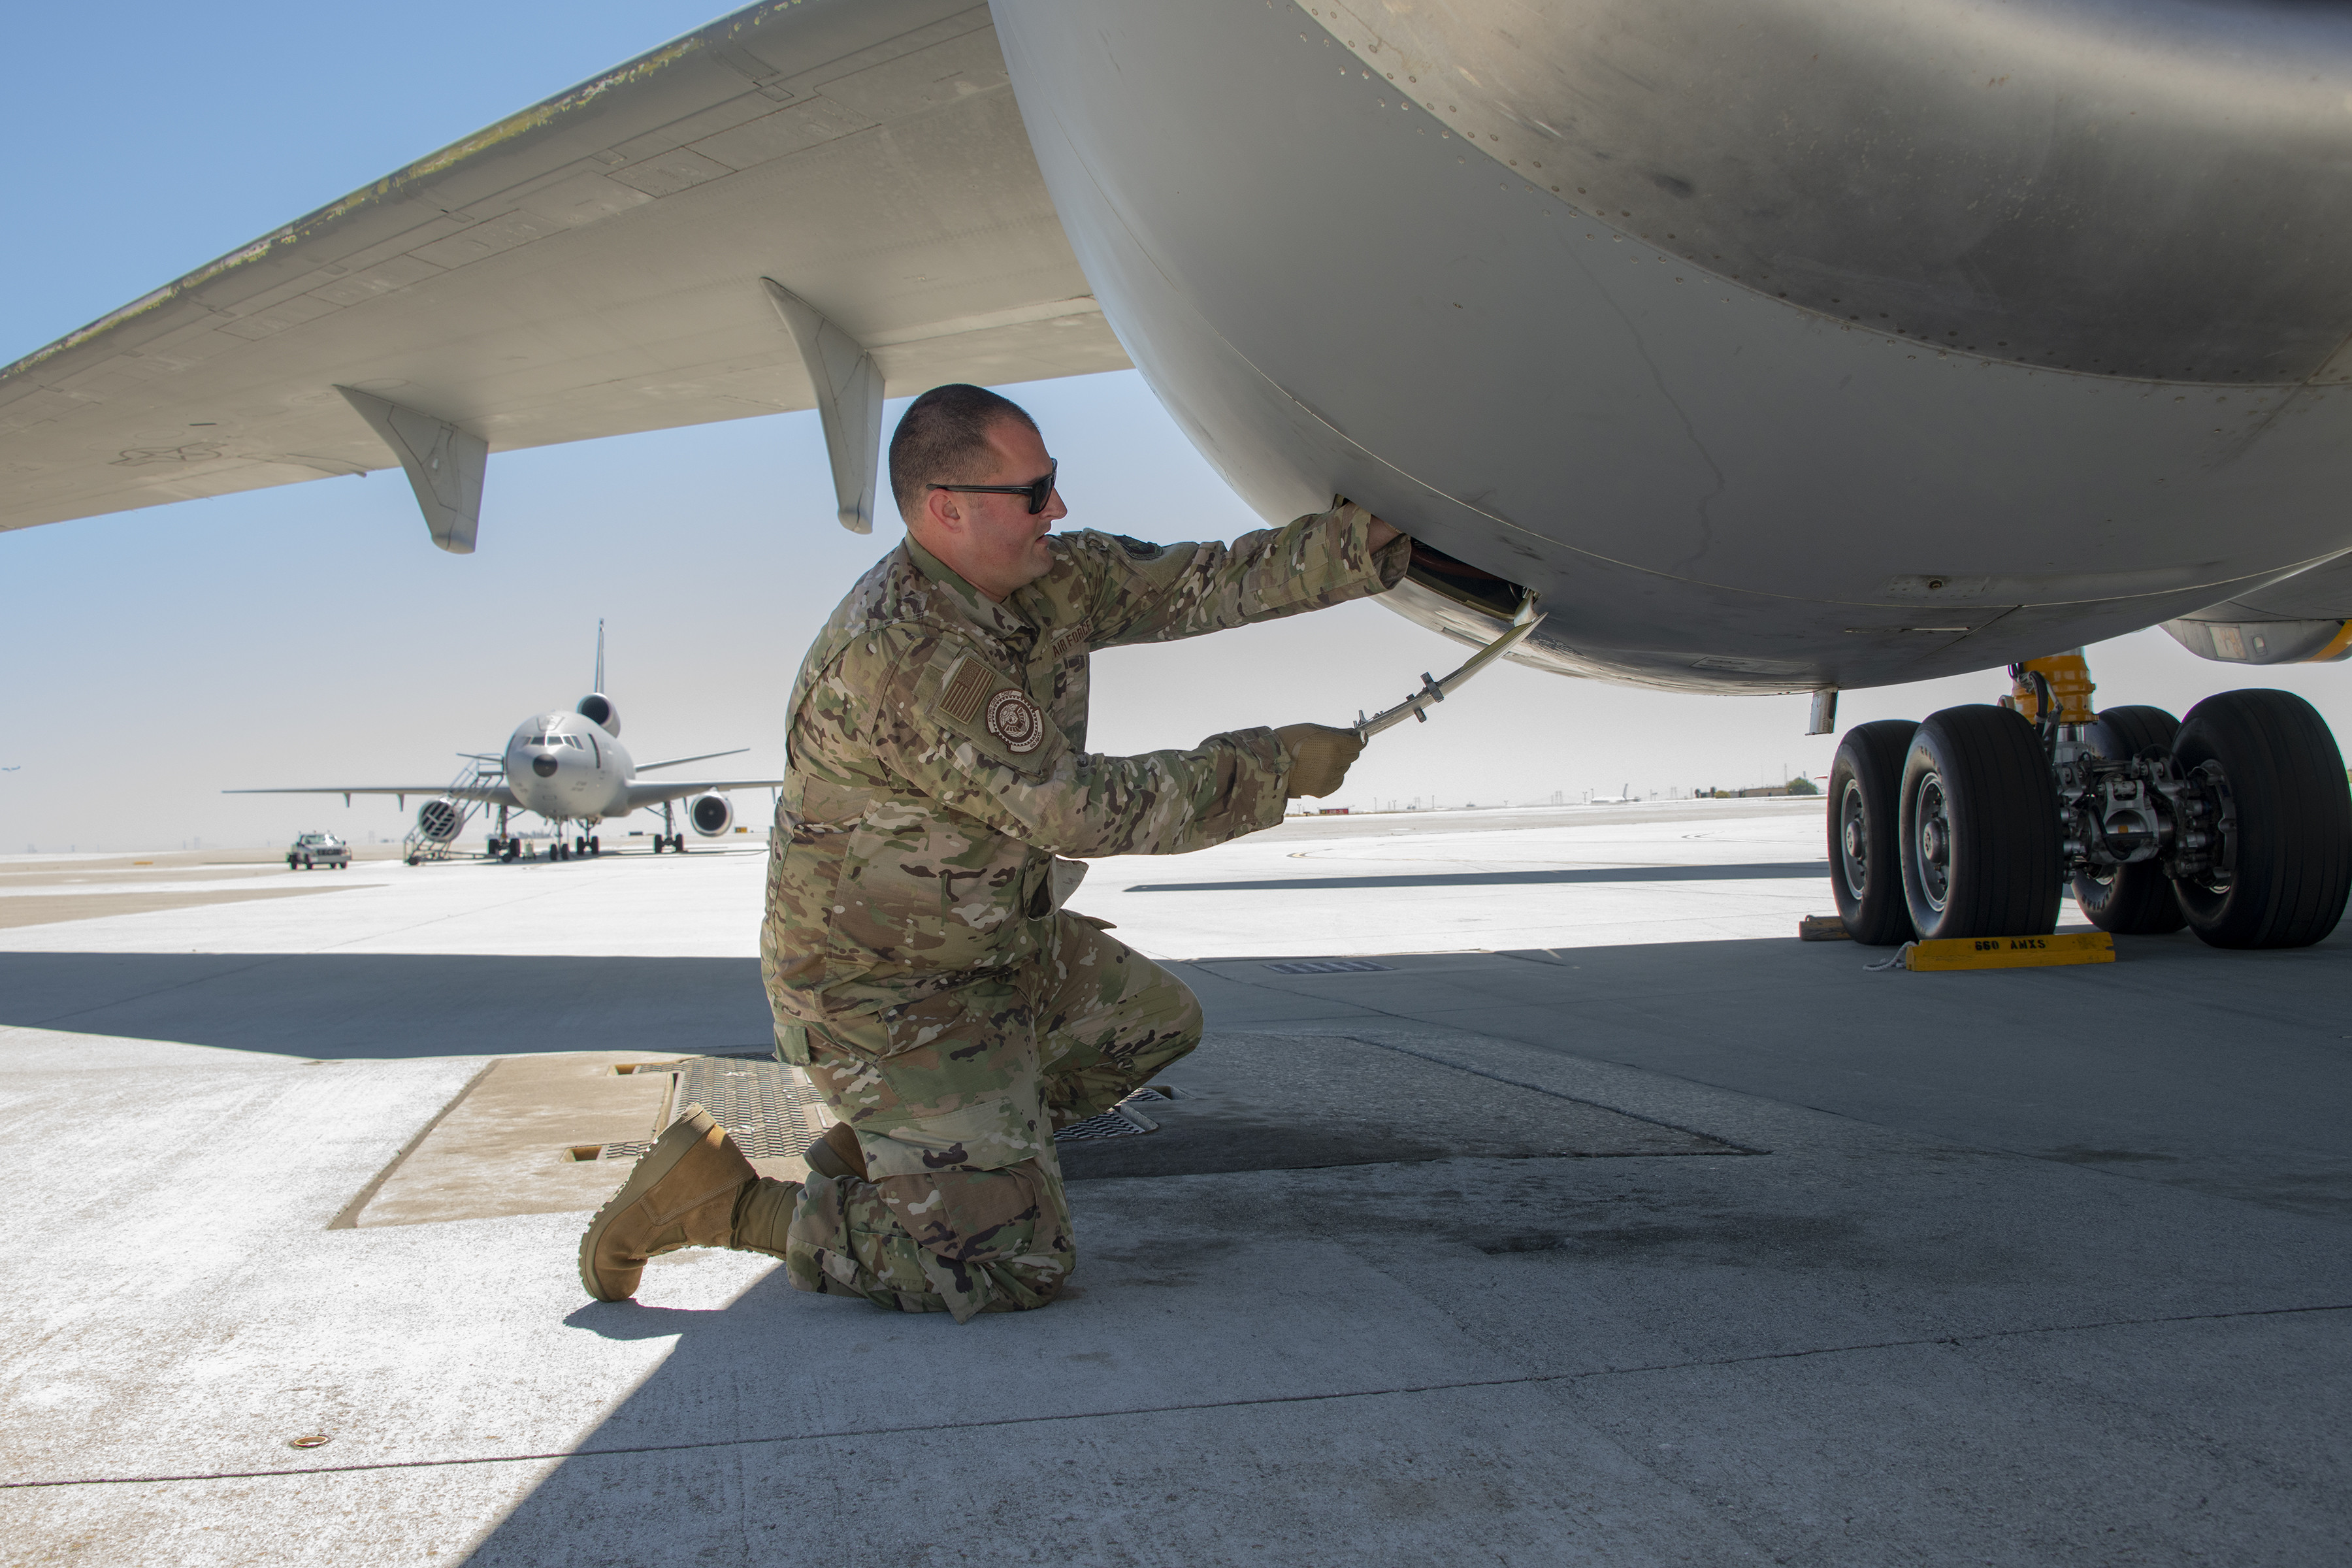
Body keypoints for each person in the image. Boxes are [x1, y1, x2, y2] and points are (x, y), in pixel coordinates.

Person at [581, 383, 1407, 1320]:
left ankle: (916, 1160)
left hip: (993, 948)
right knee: (1013, 1267)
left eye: (1053, 482)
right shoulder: (902, 658)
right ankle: (725, 1202)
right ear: (948, 509)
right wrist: (1273, 769)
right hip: (884, 997)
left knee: (1152, 1022)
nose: (1058, 507)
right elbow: (1072, 809)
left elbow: (1198, 582)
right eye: (1034, 492)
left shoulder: (1043, 574)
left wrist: (1360, 546)